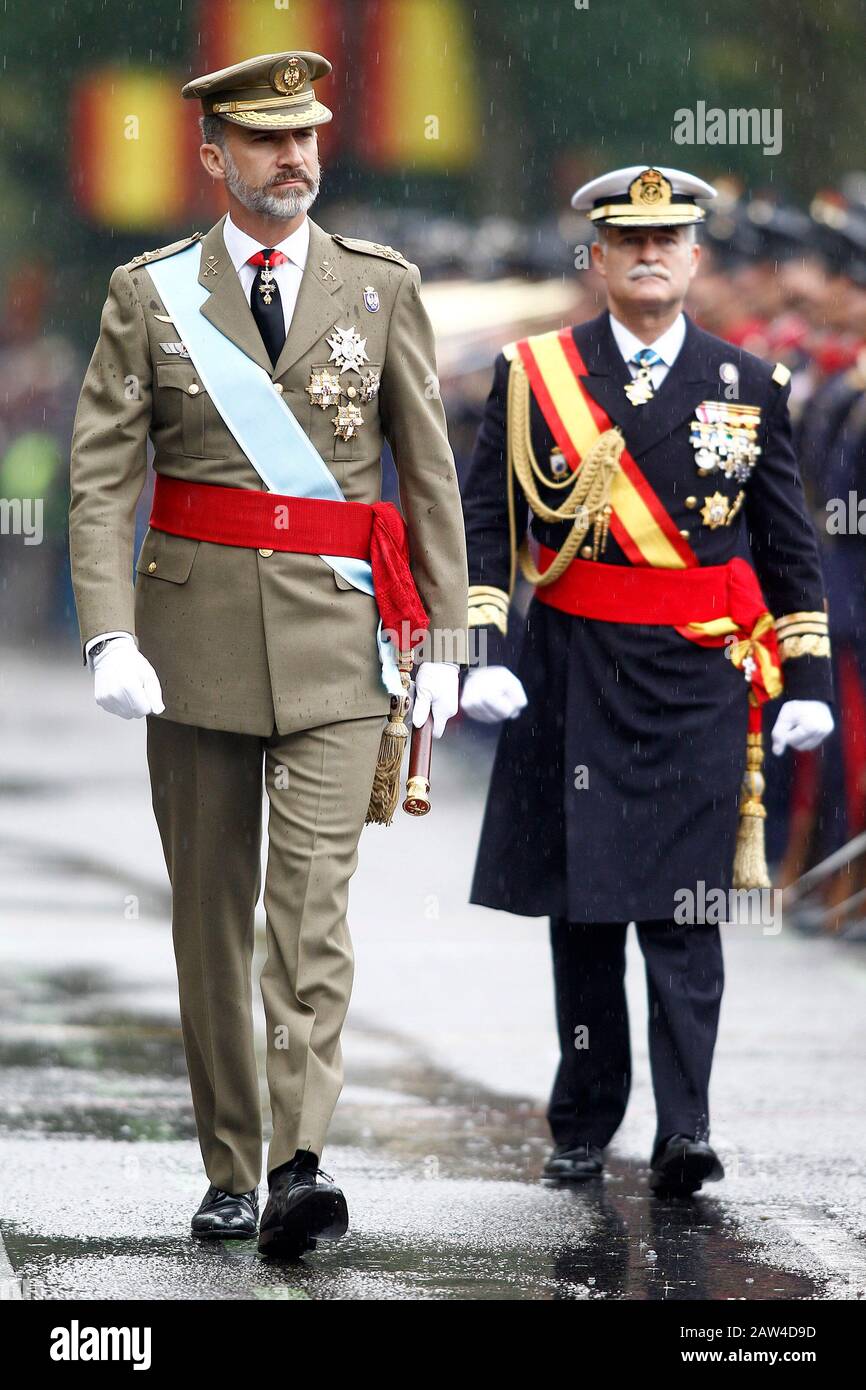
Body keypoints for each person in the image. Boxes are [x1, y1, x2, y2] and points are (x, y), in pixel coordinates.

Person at [69, 50, 467, 1256]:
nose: (293, 158)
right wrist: (106, 630)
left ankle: (298, 1163)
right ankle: (229, 1164)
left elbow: (426, 466)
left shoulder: (380, 285)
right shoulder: (150, 294)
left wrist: (445, 633)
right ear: (214, 157)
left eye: (306, 138)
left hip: (343, 644)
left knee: (309, 913)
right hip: (188, 644)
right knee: (207, 914)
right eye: (265, 141)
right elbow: (99, 478)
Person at [460, 165, 834, 1196]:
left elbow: (788, 546)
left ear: (695, 259)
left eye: (668, 241)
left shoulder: (746, 383)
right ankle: (582, 1116)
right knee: (583, 915)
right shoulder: (535, 375)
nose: (649, 255)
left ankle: (684, 1128)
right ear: (598, 257)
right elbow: (486, 524)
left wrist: (805, 678)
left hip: (698, 677)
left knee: (684, 912)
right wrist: (482, 653)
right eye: (628, 242)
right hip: (573, 670)